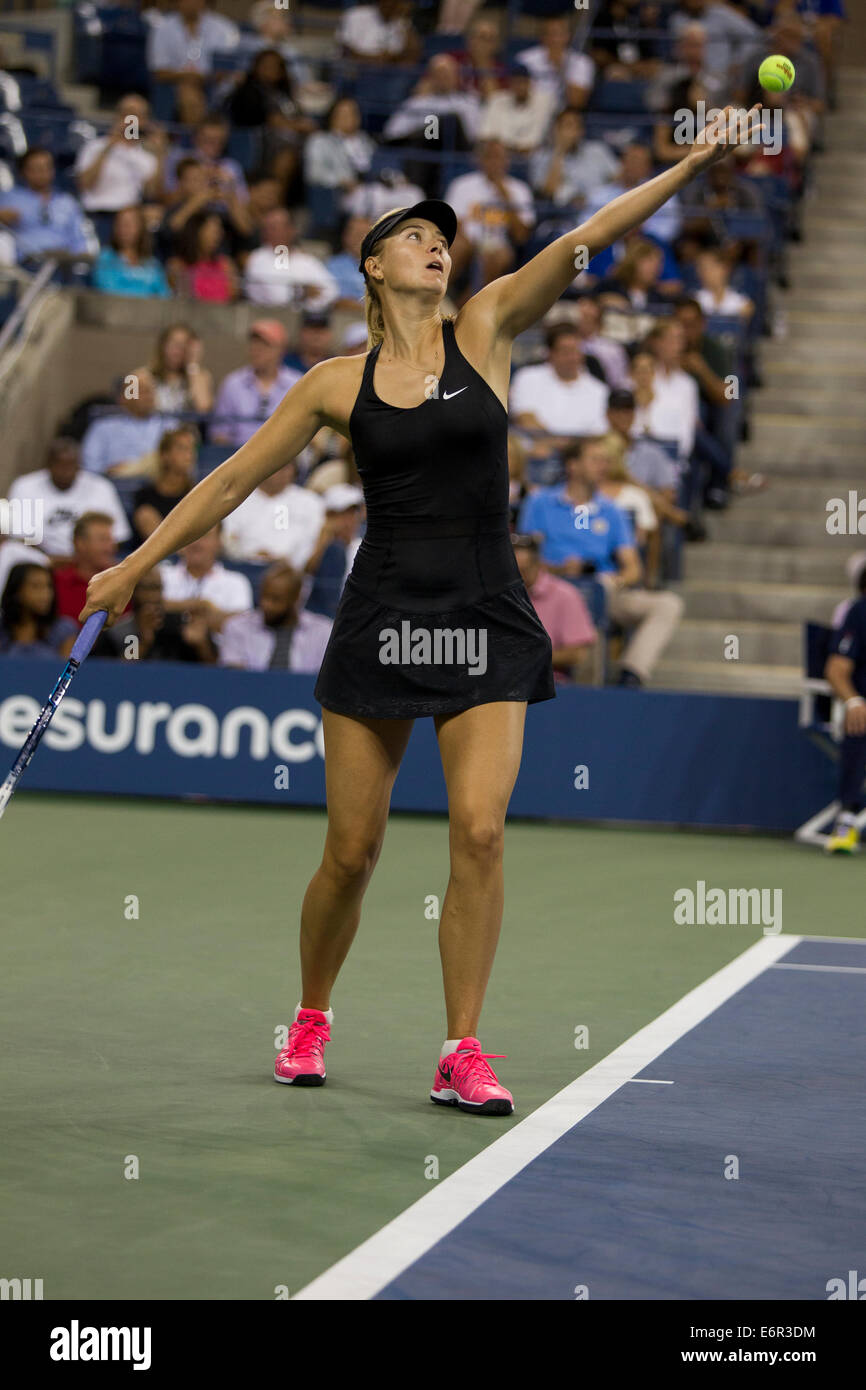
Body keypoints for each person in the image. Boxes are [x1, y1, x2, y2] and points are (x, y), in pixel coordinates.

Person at [81, 106, 761, 1112]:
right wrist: (135, 561)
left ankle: (459, 1045)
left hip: (484, 606)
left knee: (479, 833)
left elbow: (584, 239)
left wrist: (689, 164)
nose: (433, 244)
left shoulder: (484, 330)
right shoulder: (331, 383)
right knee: (351, 851)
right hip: (385, 611)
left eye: (439, 236)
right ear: (371, 267)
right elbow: (227, 483)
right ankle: (310, 1014)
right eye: (412, 235)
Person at [519, 439, 684, 686]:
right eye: (595, 459)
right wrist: (558, 569)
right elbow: (523, 557)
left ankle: (631, 674)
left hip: (602, 589)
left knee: (667, 604)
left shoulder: (612, 511)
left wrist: (613, 580)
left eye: (606, 460)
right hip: (549, 590)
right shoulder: (540, 502)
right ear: (572, 465)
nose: (603, 466)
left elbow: (633, 568)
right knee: (580, 599)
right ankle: (586, 688)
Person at [8, 436, 131, 559]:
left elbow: (117, 536)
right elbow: (19, 538)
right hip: (41, 562)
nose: (65, 471)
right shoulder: (24, 485)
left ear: (79, 465)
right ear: (48, 464)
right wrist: (51, 560)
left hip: (89, 563)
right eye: (60, 465)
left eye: (70, 465)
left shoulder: (101, 486)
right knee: (10, 550)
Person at [511, 532, 596, 683]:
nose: (518, 577)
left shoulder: (565, 595)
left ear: (538, 565)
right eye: (512, 570)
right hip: (501, 684)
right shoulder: (498, 594)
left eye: (523, 570)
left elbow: (577, 653)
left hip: (549, 684)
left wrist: (528, 658)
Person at [219, 561, 333, 672]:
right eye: (263, 596)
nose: (266, 605)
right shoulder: (238, 627)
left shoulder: (323, 632)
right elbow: (234, 679)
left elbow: (326, 681)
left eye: (275, 599)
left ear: (296, 599)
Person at [95, 568, 216, 663]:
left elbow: (213, 672)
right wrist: (144, 641)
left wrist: (202, 645)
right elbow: (115, 675)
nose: (153, 596)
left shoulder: (179, 625)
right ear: (133, 592)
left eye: (157, 588)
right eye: (146, 589)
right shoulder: (118, 631)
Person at [211, 320, 300, 449]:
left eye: (265, 345)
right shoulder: (232, 384)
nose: (257, 349)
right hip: (238, 456)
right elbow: (219, 433)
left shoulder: (296, 383)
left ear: (281, 349)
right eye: (254, 343)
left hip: (284, 458)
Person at [0, 147, 95, 267]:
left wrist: (83, 260)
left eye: (47, 167)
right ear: (23, 172)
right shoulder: (9, 198)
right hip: (25, 264)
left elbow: (79, 239)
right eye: (36, 168)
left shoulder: (67, 202)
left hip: (63, 263)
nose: (42, 172)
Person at [824, 585, 866, 853]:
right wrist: (853, 701)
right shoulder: (860, 612)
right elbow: (836, 669)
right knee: (859, 719)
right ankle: (847, 819)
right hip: (864, 709)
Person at [221, 458, 325, 567]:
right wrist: (251, 555)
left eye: (286, 467)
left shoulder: (310, 502)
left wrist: (290, 560)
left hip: (292, 573)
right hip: (245, 567)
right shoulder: (237, 500)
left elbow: (314, 540)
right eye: (276, 466)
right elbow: (227, 539)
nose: (280, 472)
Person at [80, 368, 175, 478]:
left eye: (150, 391)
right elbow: (90, 468)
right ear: (123, 397)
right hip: (114, 487)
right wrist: (111, 471)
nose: (147, 396)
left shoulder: (170, 427)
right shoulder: (103, 428)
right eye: (141, 391)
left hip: (158, 488)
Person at [243, 207, 339, 309]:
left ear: (292, 230)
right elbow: (276, 297)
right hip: (269, 316)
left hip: (305, 318)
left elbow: (332, 291)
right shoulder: (257, 258)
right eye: (271, 228)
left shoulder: (306, 260)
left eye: (280, 227)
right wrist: (303, 292)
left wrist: (308, 302)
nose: (274, 232)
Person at [54, 512, 121, 625]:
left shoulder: (123, 580)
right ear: (80, 543)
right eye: (103, 540)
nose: (110, 547)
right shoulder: (56, 582)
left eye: (111, 540)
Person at [132, 427, 197, 542]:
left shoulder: (196, 493)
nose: (189, 455)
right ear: (164, 455)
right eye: (181, 449)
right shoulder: (145, 496)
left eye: (191, 449)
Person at [0, 563, 77, 658]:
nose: (46, 594)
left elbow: (68, 670)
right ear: (16, 592)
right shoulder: (2, 628)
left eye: (49, 586)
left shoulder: (64, 629)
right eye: (36, 586)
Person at [92, 206, 171, 298]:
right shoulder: (105, 258)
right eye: (120, 224)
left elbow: (165, 295)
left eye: (130, 224)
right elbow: (108, 290)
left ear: (141, 228)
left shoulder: (152, 264)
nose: (124, 228)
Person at [150, 322, 214, 416]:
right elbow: (129, 404)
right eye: (173, 344)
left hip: (185, 430)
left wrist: (193, 364)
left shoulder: (200, 377)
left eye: (183, 345)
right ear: (163, 345)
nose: (177, 350)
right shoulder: (144, 375)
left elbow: (203, 407)